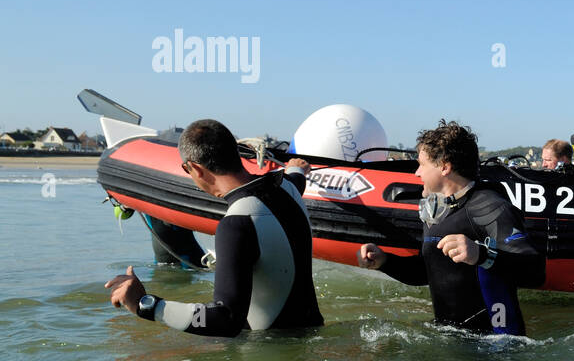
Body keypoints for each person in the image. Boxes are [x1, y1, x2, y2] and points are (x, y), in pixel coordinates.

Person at [104, 119, 324, 336]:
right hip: (313, 334)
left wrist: (146, 305)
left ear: (196, 169)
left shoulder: (237, 224)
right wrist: (297, 169)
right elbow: (296, 178)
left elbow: (225, 319)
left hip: (270, 355)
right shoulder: (289, 188)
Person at [357, 120, 544, 335]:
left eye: (422, 164)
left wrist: (482, 255)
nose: (416, 173)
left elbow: (535, 271)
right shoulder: (437, 210)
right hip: (449, 338)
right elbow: (430, 271)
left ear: (445, 167)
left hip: (495, 346)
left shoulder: (489, 207)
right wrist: (385, 261)